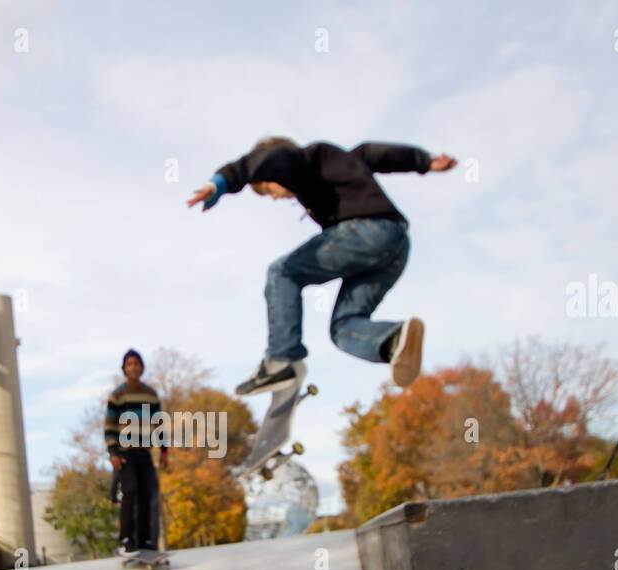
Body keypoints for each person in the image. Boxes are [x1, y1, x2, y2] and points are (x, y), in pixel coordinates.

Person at [187, 136, 457, 396]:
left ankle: (281, 360)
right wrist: (424, 161)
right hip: (396, 247)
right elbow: (378, 154)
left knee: (282, 272)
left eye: (268, 189)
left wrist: (220, 183)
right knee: (344, 328)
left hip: (366, 232)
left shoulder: (300, 160)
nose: (273, 197)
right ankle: (394, 339)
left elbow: (270, 158)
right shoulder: (345, 160)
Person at [104, 350, 168, 555]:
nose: (133, 367)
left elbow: (158, 424)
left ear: (142, 367)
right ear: (124, 369)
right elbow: (109, 426)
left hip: (144, 452)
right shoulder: (118, 394)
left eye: (137, 363)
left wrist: (164, 451)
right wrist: (112, 452)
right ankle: (125, 539)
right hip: (124, 453)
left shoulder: (150, 394)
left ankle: (143, 540)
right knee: (129, 492)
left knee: (146, 494)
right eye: (129, 364)